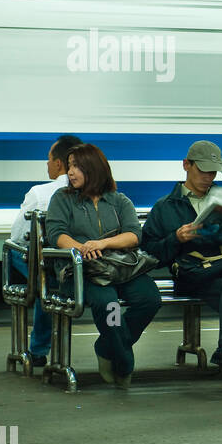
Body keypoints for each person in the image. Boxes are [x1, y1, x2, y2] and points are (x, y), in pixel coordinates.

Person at [142, 141, 222, 398]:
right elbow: (151, 252)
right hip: (191, 274)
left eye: (213, 172)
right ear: (186, 165)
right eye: (203, 171)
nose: (208, 177)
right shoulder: (166, 206)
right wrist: (176, 238)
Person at [45, 143, 162, 389]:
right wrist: (82, 247)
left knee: (149, 299)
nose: (71, 173)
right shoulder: (63, 199)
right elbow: (56, 234)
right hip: (83, 269)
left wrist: (103, 243)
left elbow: (133, 235)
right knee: (108, 304)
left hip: (121, 266)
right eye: (69, 167)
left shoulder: (119, 200)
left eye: (76, 166)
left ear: (94, 169)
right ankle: (124, 359)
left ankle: (107, 347)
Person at [8, 133, 83, 368]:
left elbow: (18, 235)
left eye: (49, 159)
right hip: (77, 262)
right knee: (47, 279)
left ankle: (37, 349)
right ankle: (39, 344)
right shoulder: (93, 192)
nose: (47, 164)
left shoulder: (39, 193)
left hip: (47, 263)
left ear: (59, 163)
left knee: (23, 258)